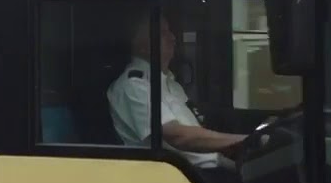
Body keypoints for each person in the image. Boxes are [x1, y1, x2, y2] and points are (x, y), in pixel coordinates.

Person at [106, 12, 249, 168]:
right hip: (178, 177)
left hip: (210, 167)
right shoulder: (133, 86)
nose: (173, 38)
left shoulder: (170, 83)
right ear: (141, 45)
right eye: (163, 33)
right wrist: (244, 141)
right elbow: (177, 136)